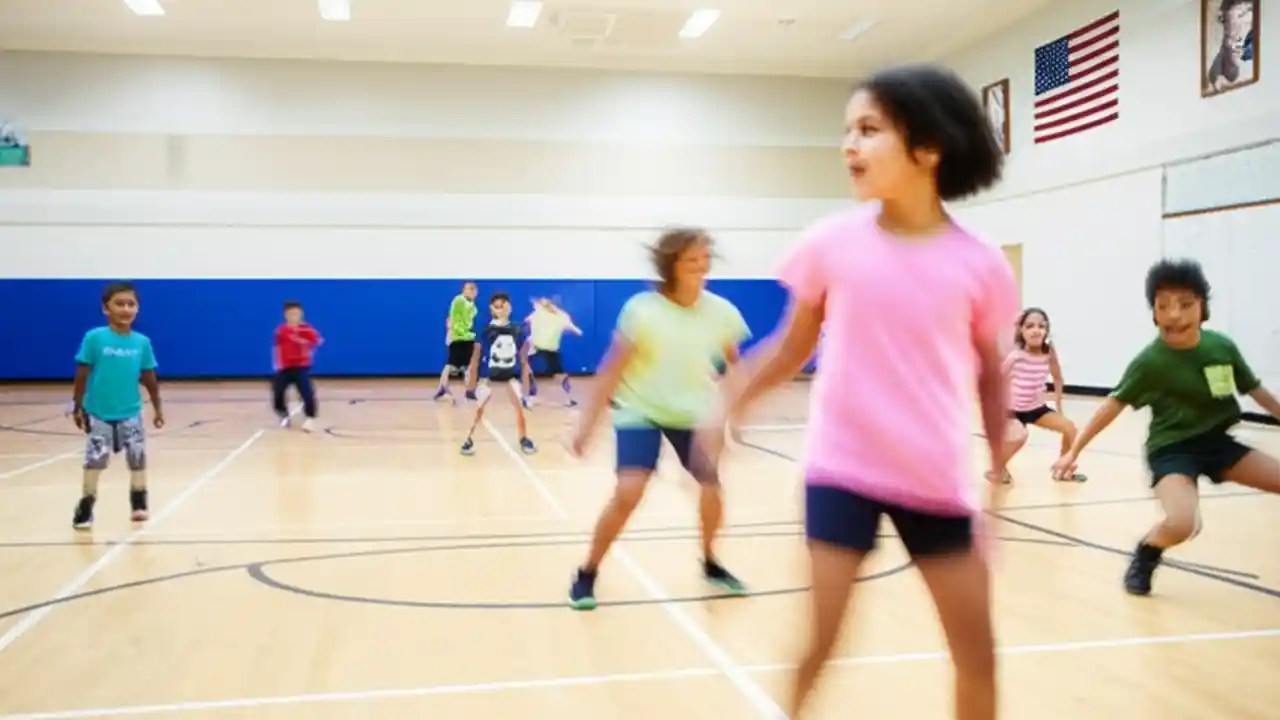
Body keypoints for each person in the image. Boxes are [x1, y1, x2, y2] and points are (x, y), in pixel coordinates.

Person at [705, 63, 1016, 719]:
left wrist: (997, 458)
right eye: (846, 130)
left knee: (977, 656)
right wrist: (727, 404)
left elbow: (989, 367)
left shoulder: (980, 262)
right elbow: (791, 347)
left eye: (869, 129)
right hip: (843, 469)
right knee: (821, 643)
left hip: (936, 478)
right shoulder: (831, 243)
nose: (849, 144)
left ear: (928, 148)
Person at [1053, 258, 1280, 596]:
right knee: (1183, 523)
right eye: (1163, 306)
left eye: (1185, 305)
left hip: (1218, 443)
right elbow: (1111, 406)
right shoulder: (1151, 361)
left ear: (1203, 309)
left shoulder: (1221, 347)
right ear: (1154, 313)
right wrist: (1074, 450)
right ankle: (1148, 551)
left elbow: (1254, 390)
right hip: (1172, 450)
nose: (1174, 315)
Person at [566, 228, 752, 611]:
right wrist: (587, 425)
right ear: (672, 266)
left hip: (692, 413)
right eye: (691, 260)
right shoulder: (642, 309)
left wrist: (733, 413)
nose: (701, 266)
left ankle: (711, 562)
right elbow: (612, 370)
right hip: (640, 409)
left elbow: (734, 366)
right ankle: (588, 572)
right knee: (629, 492)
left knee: (711, 487)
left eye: (705, 258)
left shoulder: (721, 312)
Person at [71, 281, 165, 530]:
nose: (125, 309)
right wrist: (77, 406)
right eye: (119, 304)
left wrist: (157, 407)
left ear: (138, 309)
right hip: (99, 413)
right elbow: (81, 373)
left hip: (131, 412)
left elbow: (149, 377)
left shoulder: (142, 342)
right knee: (95, 460)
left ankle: (138, 501)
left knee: (137, 457)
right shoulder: (95, 338)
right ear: (106, 308)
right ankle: (86, 505)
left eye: (131, 304)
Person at [991, 307, 1085, 484]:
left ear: (1046, 330)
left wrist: (1059, 405)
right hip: (1011, 410)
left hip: (1034, 408)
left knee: (1070, 428)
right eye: (1030, 326)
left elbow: (1057, 378)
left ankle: (1063, 471)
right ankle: (997, 468)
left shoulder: (1048, 353)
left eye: (1041, 326)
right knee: (1020, 435)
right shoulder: (1016, 355)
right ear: (1022, 330)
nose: (1036, 330)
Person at [459, 292, 536, 456]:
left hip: (511, 374)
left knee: (519, 407)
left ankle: (524, 439)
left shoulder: (517, 330)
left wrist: (527, 389)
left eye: (504, 306)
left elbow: (523, 359)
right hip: (489, 375)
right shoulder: (486, 331)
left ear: (510, 307)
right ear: (491, 309)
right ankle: (469, 438)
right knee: (479, 408)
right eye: (497, 306)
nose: (501, 309)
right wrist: (471, 382)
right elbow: (476, 356)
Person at [272, 300, 323, 432]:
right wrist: (276, 364)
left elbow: (318, 340)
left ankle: (310, 418)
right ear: (285, 315)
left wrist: (304, 340)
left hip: (301, 366)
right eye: (291, 314)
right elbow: (276, 347)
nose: (294, 316)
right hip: (284, 368)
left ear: (301, 314)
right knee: (277, 393)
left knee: (307, 393)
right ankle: (283, 414)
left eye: (296, 313)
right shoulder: (281, 330)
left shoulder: (306, 329)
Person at [523, 296, 583, 408]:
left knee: (560, 374)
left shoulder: (561, 317)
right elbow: (527, 321)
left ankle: (568, 398)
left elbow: (574, 329)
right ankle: (529, 398)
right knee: (530, 372)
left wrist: (574, 330)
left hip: (551, 350)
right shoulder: (537, 314)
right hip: (536, 349)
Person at [434, 281, 480, 403]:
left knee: (467, 365)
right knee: (451, 364)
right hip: (457, 337)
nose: (472, 292)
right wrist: (458, 332)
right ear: (464, 290)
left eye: (474, 290)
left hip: (467, 338)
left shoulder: (473, 305)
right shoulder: (458, 300)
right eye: (469, 289)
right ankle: (442, 387)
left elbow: (468, 321)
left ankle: (469, 391)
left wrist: (468, 334)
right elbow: (454, 319)